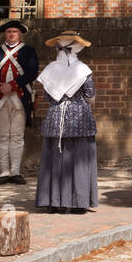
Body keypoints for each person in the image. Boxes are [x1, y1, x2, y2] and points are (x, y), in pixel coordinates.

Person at [35, 32, 97, 213]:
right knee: (78, 156)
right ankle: (78, 202)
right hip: (79, 115)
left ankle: (55, 201)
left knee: (55, 156)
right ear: (76, 48)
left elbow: (47, 96)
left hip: (55, 113)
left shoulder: (50, 69)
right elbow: (90, 93)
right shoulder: (82, 69)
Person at [0, 20, 39, 185]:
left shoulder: (28, 51)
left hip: (20, 98)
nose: (11, 34)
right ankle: (4, 171)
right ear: (4, 34)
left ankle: (15, 171)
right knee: (2, 136)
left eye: (15, 31)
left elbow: (32, 72)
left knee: (16, 136)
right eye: (8, 32)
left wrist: (13, 85)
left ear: (20, 34)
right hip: (1, 99)